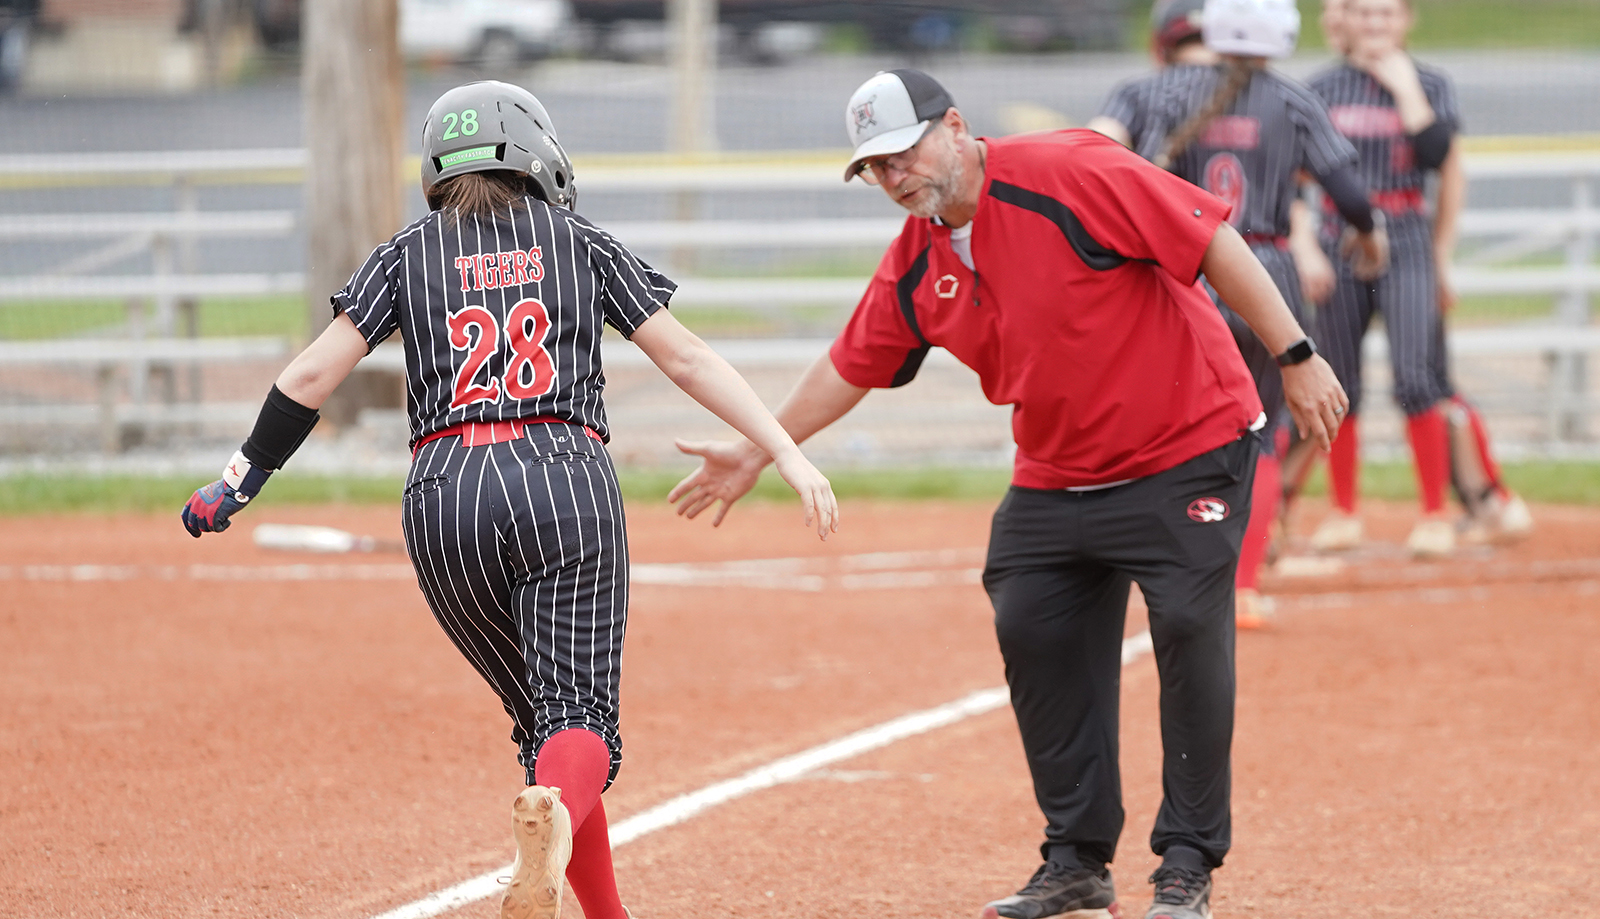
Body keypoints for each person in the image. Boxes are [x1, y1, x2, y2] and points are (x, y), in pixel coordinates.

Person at [668, 68, 1348, 919]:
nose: (894, 176)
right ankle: (1076, 860)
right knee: (1030, 618)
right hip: (1058, 468)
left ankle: (1186, 864)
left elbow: (1211, 238)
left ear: (954, 127)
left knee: (1185, 626)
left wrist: (1295, 357)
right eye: (875, 167)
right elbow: (852, 363)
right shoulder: (918, 257)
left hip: (1188, 443)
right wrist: (757, 448)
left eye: (904, 152)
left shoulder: (1070, 172)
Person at [179, 81, 838, 919]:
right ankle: (555, 815)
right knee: (579, 719)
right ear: (536, 152)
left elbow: (310, 376)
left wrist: (237, 480)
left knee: (544, 729)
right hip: (562, 476)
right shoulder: (577, 239)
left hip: (443, 494)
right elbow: (688, 358)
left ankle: (599, 901)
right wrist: (784, 449)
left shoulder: (406, 252)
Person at [1090, 0, 1387, 629]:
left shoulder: (1148, 92)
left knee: (1165, 429)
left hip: (1177, 279)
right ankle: (1243, 588)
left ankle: (1161, 574)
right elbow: (1352, 196)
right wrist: (1369, 236)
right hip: (1265, 278)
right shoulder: (1294, 99)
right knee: (1262, 432)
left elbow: (1096, 154)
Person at [1304, 0, 1530, 558]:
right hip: (1338, 239)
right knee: (1339, 380)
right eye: (1364, 13)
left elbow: (1437, 158)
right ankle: (1343, 512)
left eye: (1387, 14)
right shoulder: (1321, 88)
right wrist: (1306, 246)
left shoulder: (1430, 83)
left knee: (1417, 377)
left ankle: (1434, 513)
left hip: (1406, 238)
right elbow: (1295, 174)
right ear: (1345, 20)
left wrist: (1405, 86)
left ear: (1406, 20)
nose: (1375, 24)